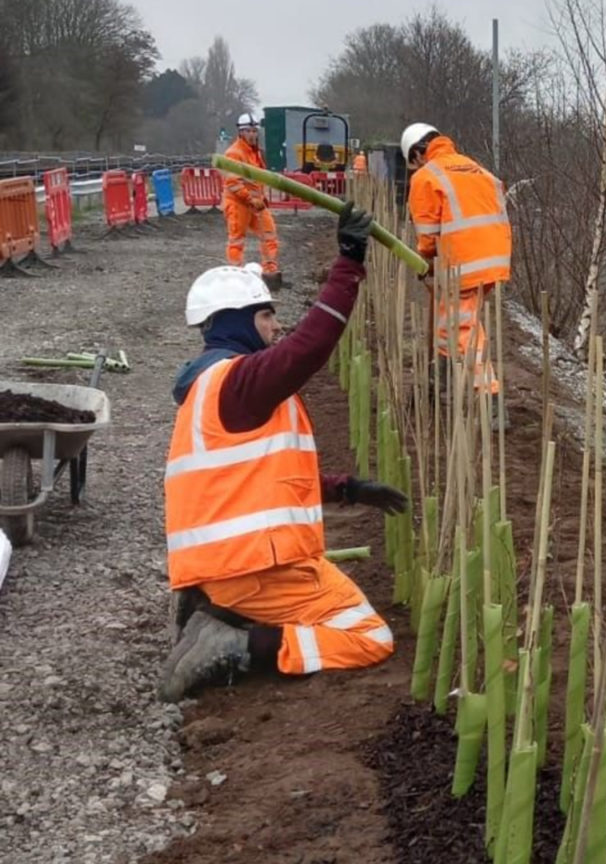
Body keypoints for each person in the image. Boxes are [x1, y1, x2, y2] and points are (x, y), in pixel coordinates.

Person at [158, 203, 405, 702]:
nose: (276, 326)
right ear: (239, 321)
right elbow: (310, 348)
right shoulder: (239, 381)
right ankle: (241, 644)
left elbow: (260, 483)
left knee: (321, 600)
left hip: (227, 568)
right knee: (368, 637)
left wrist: (347, 489)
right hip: (257, 570)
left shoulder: (212, 389)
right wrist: (349, 263)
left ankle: (215, 609)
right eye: (267, 315)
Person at [400, 122, 512, 410]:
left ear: (416, 154)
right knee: (447, 319)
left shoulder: (426, 176)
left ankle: (491, 399)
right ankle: (443, 377)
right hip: (494, 257)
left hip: (464, 261)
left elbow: (427, 237)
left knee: (463, 328)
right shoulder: (475, 168)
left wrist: (424, 261)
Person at [222, 113, 282, 289]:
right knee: (237, 240)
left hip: (255, 203)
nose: (252, 134)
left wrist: (260, 198)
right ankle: (236, 276)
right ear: (241, 132)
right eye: (248, 131)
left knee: (269, 234)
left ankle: (270, 271)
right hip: (238, 203)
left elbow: (256, 180)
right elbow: (233, 182)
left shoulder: (255, 153)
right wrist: (250, 199)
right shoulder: (234, 153)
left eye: (254, 131)